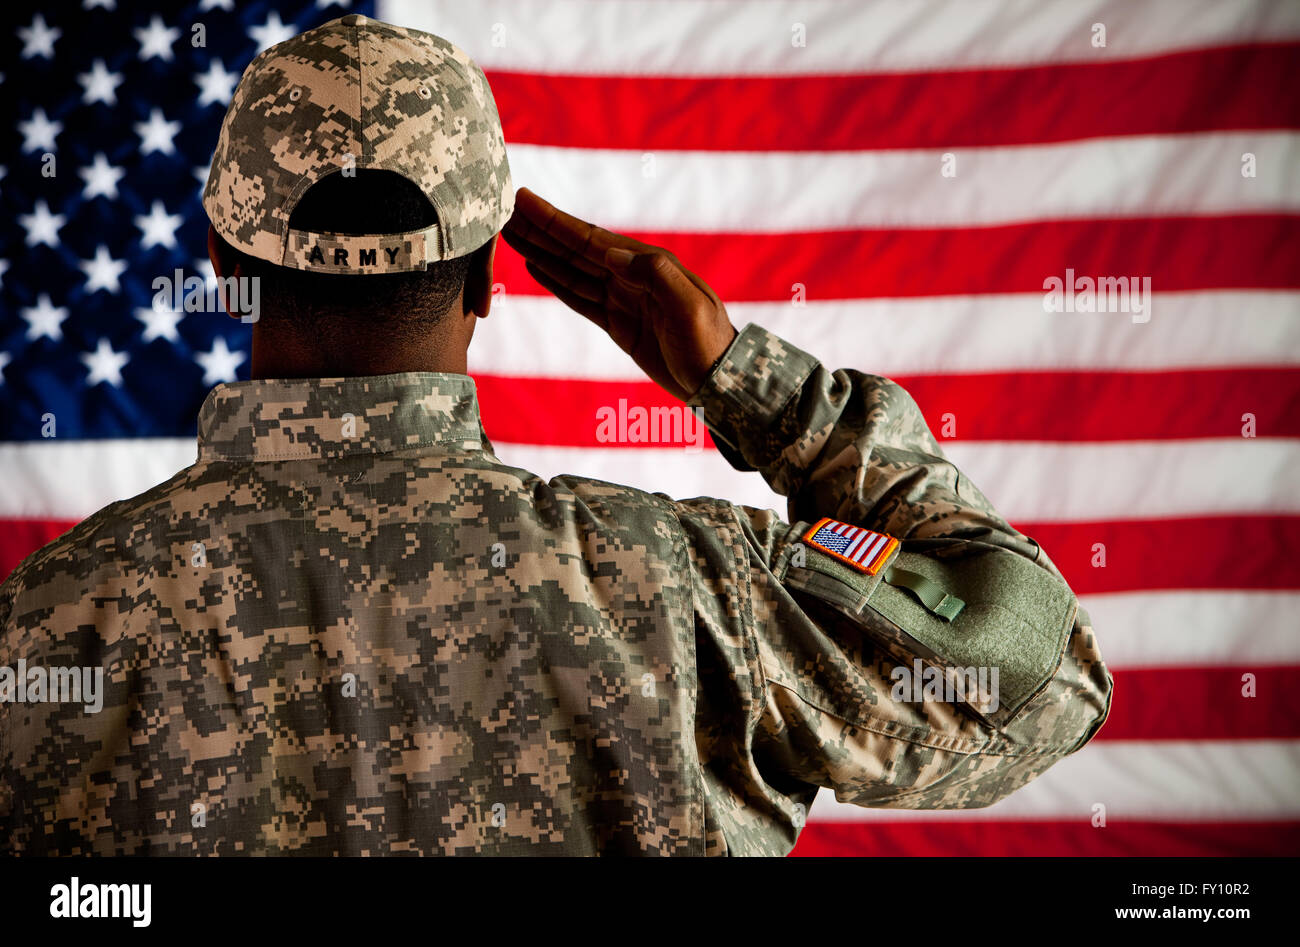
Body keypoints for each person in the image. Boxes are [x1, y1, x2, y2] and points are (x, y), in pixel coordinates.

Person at [0, 15, 1111, 856]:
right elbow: (1036, 673)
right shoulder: (691, 593)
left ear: (221, 269)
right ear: (491, 273)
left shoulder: (42, 624)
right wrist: (757, 388)